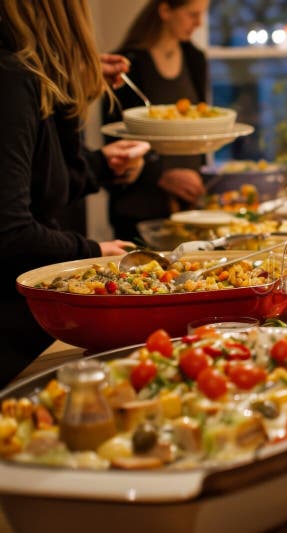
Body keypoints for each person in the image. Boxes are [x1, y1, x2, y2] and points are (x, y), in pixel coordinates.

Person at [0, 0, 150, 387]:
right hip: (12, 335)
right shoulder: (11, 79)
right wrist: (93, 253)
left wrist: (102, 164)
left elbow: (46, 177)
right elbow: (11, 233)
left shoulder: (27, 76)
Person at [103, 0, 209, 241]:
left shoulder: (195, 59)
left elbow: (201, 122)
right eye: (192, 14)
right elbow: (113, 138)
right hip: (138, 209)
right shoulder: (127, 64)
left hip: (188, 207)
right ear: (165, 11)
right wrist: (160, 174)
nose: (199, 23)